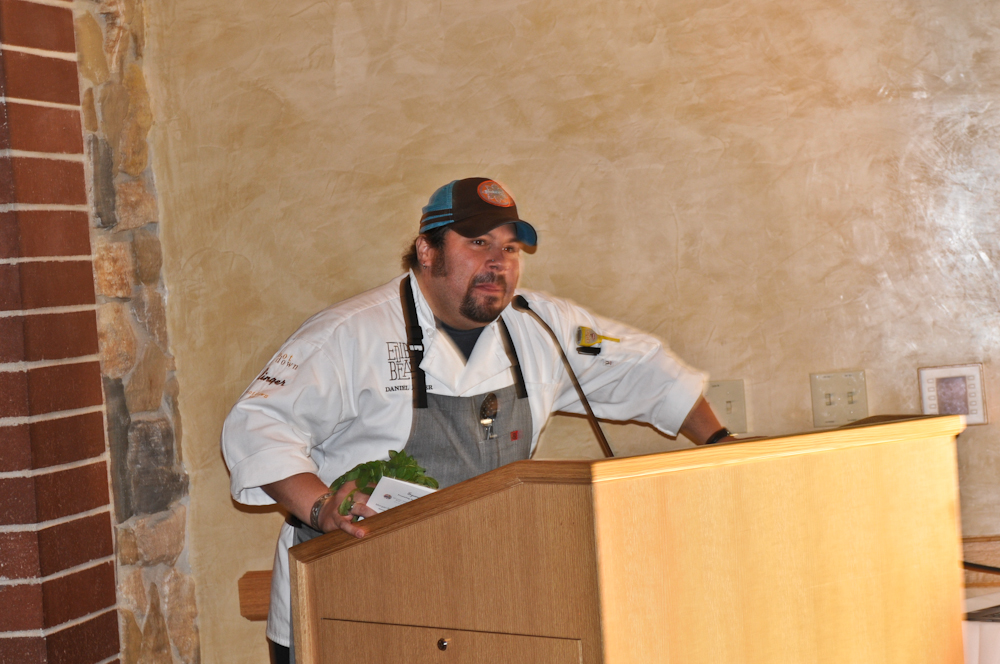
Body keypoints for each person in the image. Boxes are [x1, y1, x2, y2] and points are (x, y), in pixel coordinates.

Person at [221, 177, 735, 663]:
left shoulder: (544, 326)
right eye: (479, 243)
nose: (499, 262)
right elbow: (259, 425)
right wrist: (320, 509)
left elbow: (643, 369)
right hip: (346, 606)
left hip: (483, 609)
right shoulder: (348, 335)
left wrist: (720, 441)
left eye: (511, 248)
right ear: (428, 250)